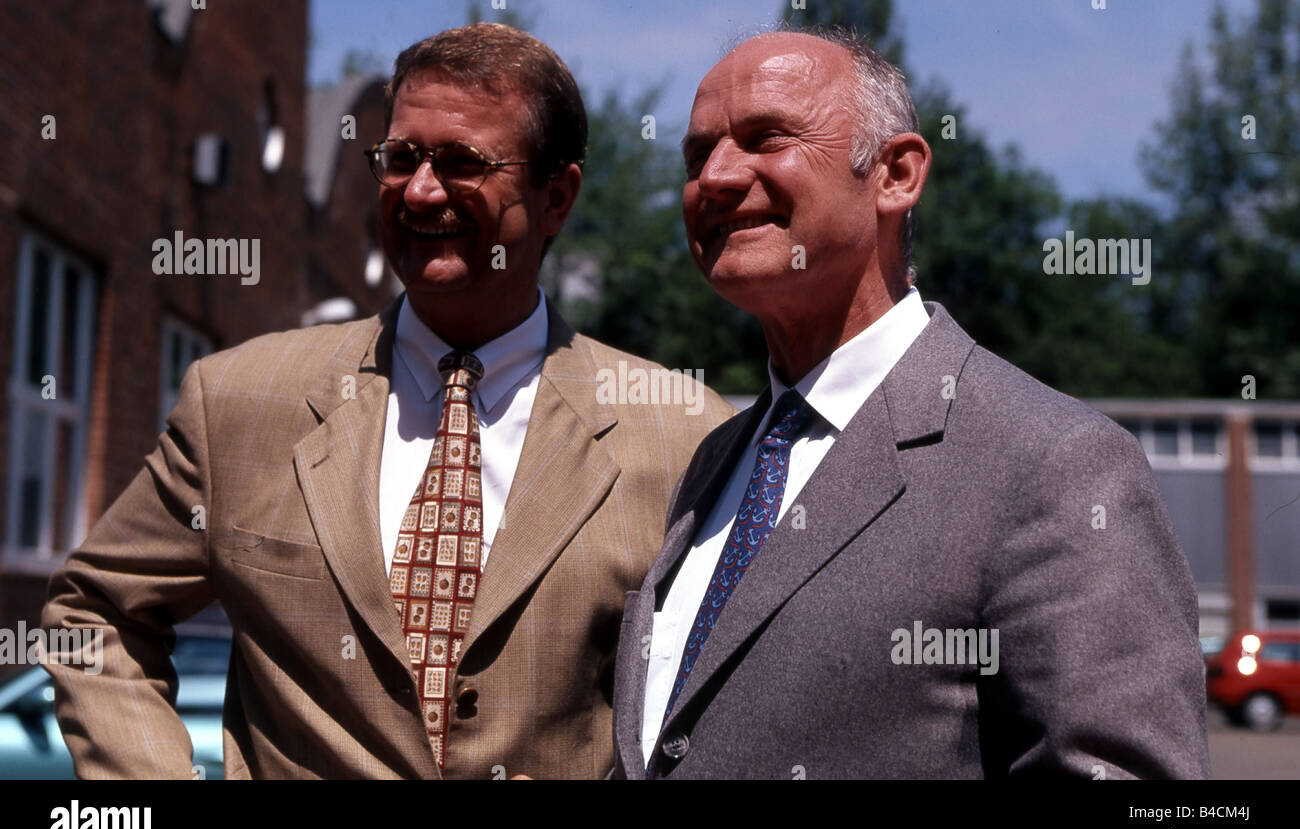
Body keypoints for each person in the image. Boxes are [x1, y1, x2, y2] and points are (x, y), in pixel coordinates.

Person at [42, 23, 732, 779]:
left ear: (556, 197)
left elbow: (722, 702)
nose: (423, 190)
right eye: (401, 159)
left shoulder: (680, 435)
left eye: (464, 163)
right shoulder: (239, 400)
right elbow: (97, 613)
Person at [611, 27, 1210, 779]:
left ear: (895, 173)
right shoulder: (716, 463)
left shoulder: (1054, 465)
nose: (719, 177)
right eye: (698, 154)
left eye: (767, 139)